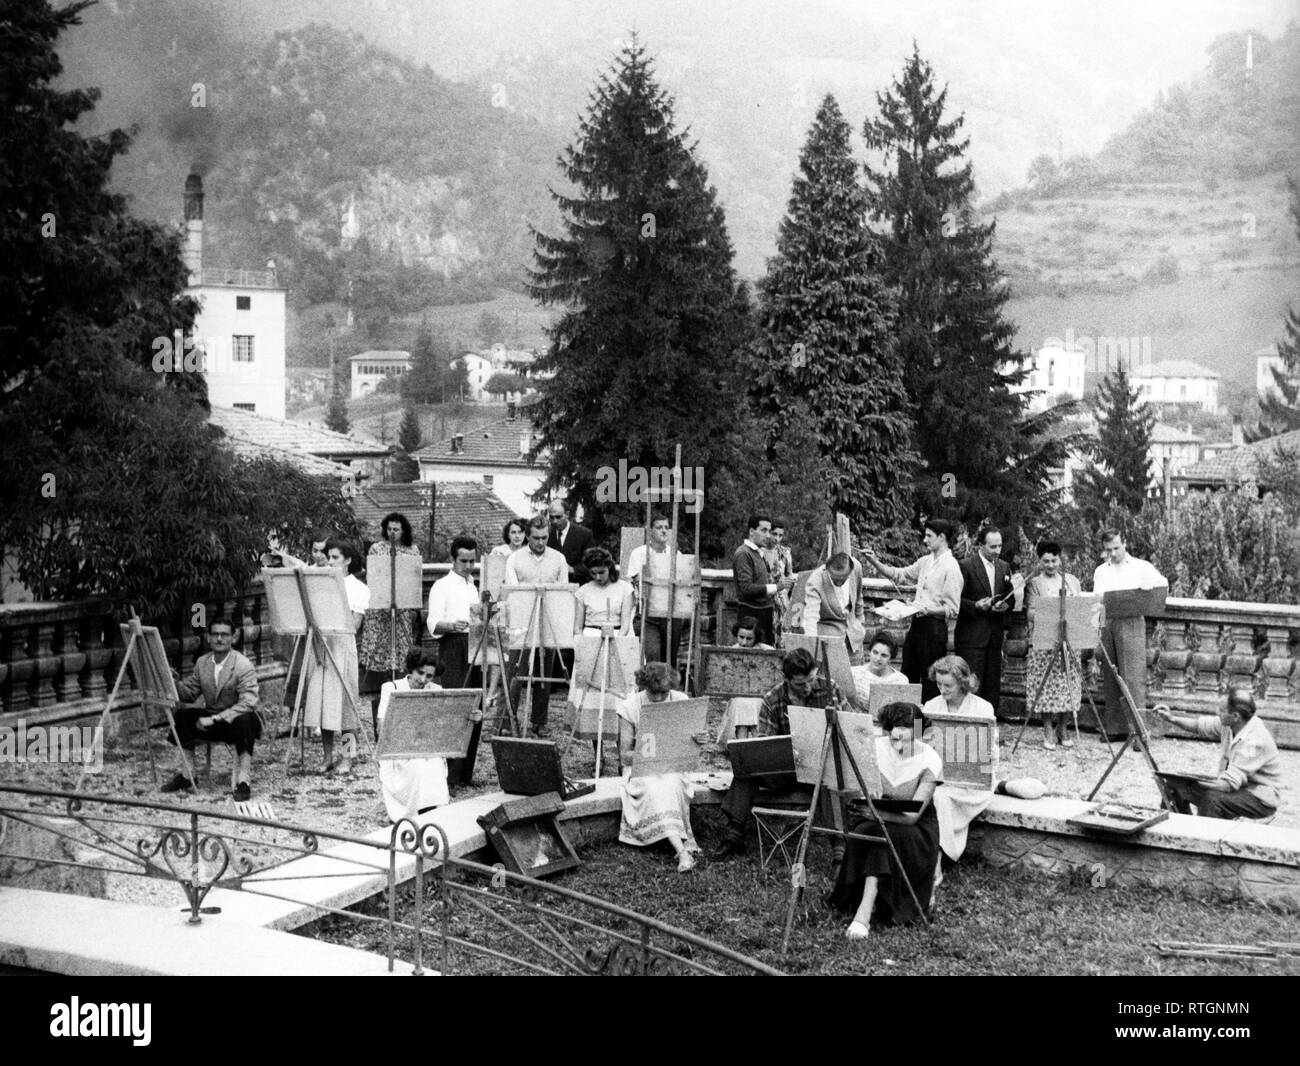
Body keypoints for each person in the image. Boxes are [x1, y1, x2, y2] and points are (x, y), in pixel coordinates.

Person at [710, 647, 847, 860]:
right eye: (801, 684)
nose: (809, 687)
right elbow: (765, 746)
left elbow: (851, 728)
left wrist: (838, 719)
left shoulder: (831, 689)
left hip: (821, 767)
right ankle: (734, 833)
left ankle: (839, 847)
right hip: (787, 769)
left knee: (831, 775)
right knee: (749, 766)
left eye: (811, 679)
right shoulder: (773, 699)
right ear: (788, 680)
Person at [828, 702, 941, 939]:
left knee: (880, 834)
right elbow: (853, 790)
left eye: (906, 740)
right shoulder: (874, 748)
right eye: (894, 739)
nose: (899, 746)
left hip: (916, 830)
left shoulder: (930, 759)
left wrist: (877, 815)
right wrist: (866, 794)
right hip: (878, 816)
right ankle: (867, 905)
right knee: (873, 831)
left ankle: (863, 912)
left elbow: (912, 816)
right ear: (887, 732)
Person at [861, 519, 962, 703]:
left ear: (942, 538)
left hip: (934, 629)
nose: (925, 540)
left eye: (929, 536)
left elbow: (953, 609)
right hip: (916, 625)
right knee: (908, 677)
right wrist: (873, 560)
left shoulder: (952, 567)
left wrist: (928, 610)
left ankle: (923, 729)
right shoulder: (926, 561)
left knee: (930, 683)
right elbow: (899, 574)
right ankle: (907, 726)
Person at [615, 662, 702, 872]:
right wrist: (650, 753)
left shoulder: (680, 701)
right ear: (644, 687)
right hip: (641, 768)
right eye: (653, 693)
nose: (659, 698)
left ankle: (681, 848)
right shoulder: (630, 707)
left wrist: (698, 739)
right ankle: (682, 851)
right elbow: (624, 756)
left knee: (671, 782)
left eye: (664, 692)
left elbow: (689, 744)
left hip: (672, 767)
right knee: (655, 786)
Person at [161, 618, 261, 799]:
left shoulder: (243, 664)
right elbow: (190, 693)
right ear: (209, 638)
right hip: (212, 719)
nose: (219, 639)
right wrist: (172, 681)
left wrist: (214, 719)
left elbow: (248, 703)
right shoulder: (203, 662)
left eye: (224, 635)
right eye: (215, 634)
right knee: (183, 716)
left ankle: (243, 781)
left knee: (246, 720)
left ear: (233, 638)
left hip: (236, 720)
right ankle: (187, 775)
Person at [1153, 690, 1281, 820]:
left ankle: (1204, 839)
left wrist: (1193, 782)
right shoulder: (1232, 724)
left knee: (1212, 799)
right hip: (1238, 786)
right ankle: (1178, 831)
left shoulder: (1254, 741)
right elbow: (1199, 726)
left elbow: (1228, 785)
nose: (1217, 713)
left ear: (1235, 716)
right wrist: (1171, 718)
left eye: (1222, 710)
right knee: (1174, 786)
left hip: (1259, 798)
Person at [1092, 529, 1167, 740]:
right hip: (1108, 622)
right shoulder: (1101, 571)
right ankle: (1115, 729)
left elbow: (1163, 585)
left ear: (1124, 543)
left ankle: (1138, 732)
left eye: (1116, 548)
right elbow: (1097, 599)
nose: (1113, 553)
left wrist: (1147, 587)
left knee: (1133, 677)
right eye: (1108, 550)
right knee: (1111, 676)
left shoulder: (1141, 567)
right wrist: (1097, 626)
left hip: (1132, 621)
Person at [302, 537, 369, 774]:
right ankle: (327, 756)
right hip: (320, 647)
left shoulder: (359, 588)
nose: (329, 561)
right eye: (328, 557)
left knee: (346, 705)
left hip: (342, 647)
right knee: (323, 703)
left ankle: (348, 756)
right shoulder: (320, 583)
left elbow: (354, 624)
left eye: (335, 558)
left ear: (348, 560)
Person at [427, 535, 484, 784]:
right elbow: (432, 623)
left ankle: (464, 774)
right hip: (452, 645)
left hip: (475, 645)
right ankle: (448, 775)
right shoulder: (442, 586)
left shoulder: (473, 585)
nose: (468, 566)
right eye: (463, 561)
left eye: (472, 561)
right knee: (454, 706)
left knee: (475, 706)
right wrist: (451, 625)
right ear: (453, 558)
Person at [360, 513, 423, 733]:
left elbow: (415, 579)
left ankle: (401, 700)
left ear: (404, 530)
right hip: (381, 608)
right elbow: (373, 575)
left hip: (403, 608)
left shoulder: (412, 550)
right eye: (389, 529)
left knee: (402, 655)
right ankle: (384, 699)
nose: (392, 533)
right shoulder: (377, 549)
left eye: (396, 529)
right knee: (383, 657)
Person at [506, 515, 569, 737]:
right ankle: (506, 721)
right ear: (527, 535)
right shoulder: (514, 559)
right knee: (515, 672)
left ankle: (539, 722)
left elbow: (563, 594)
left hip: (547, 624)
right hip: (522, 625)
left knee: (543, 676)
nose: (540, 543)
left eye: (544, 538)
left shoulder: (559, 559)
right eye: (535, 538)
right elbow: (512, 594)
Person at [375, 648, 450, 822]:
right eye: (420, 673)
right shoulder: (391, 687)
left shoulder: (436, 689)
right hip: (397, 749)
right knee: (416, 767)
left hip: (425, 747)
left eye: (429, 676)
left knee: (435, 765)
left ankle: (431, 811)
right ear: (412, 669)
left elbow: (442, 724)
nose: (423, 680)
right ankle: (409, 815)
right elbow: (382, 728)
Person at [1023, 540, 1083, 750]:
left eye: (1054, 560)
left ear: (1060, 559)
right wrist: (1049, 611)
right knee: (1045, 686)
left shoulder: (1072, 581)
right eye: (1045, 561)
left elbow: (1080, 606)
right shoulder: (1035, 583)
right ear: (1039, 561)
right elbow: (1030, 612)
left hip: (1069, 640)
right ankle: (1048, 728)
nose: (1050, 565)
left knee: (1068, 685)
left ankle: (1063, 727)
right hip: (1045, 642)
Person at [954, 524, 1014, 713]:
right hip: (971, 638)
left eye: (999, 546)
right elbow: (954, 600)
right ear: (981, 545)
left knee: (992, 686)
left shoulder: (1004, 567)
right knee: (970, 685)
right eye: (992, 547)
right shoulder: (965, 566)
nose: (997, 551)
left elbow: (1010, 596)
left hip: (994, 638)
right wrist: (975, 606)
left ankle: (990, 729)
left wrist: (1005, 605)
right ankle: (968, 728)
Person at [627, 513, 683, 667]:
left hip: (670, 611)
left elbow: (681, 581)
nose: (664, 531)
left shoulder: (675, 554)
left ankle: (668, 689)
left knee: (670, 656)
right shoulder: (639, 553)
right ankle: (652, 688)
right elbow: (634, 581)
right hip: (648, 612)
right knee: (652, 654)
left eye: (666, 527)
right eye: (659, 527)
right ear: (650, 530)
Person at [732, 514, 794, 648]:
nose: (767, 535)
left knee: (766, 652)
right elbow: (746, 588)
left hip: (764, 612)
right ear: (751, 531)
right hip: (751, 613)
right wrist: (777, 587)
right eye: (763, 530)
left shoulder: (758, 552)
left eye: (768, 531)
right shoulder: (744, 553)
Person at [801, 551, 867, 659]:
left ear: (850, 571)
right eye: (835, 579)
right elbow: (811, 617)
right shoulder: (815, 581)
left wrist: (861, 623)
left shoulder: (856, 567)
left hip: (854, 639)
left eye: (843, 579)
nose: (839, 583)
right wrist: (812, 648)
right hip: (829, 641)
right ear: (827, 570)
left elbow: (858, 598)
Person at [575, 547, 634, 637]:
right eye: (593, 573)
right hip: (590, 636)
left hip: (616, 634)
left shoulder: (625, 588)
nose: (598, 577)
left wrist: (617, 642)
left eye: (601, 572)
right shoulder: (583, 591)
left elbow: (625, 626)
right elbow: (578, 627)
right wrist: (582, 644)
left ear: (609, 567)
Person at [850, 630, 910, 710]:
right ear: (869, 652)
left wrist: (919, 721)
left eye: (884, 655)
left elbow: (915, 714)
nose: (878, 659)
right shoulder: (854, 674)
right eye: (875, 652)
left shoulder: (901, 681)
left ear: (891, 659)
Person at [546, 499, 593, 585]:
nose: (554, 521)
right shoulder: (546, 535)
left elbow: (592, 564)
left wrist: (572, 569)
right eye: (551, 517)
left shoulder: (584, 535)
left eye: (558, 517)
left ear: (567, 514)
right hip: (552, 590)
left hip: (577, 588)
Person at [764, 518, 795, 643]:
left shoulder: (785, 552)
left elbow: (789, 575)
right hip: (765, 598)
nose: (777, 538)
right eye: (774, 534)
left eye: (780, 535)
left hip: (781, 602)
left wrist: (785, 593)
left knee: (781, 637)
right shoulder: (760, 551)